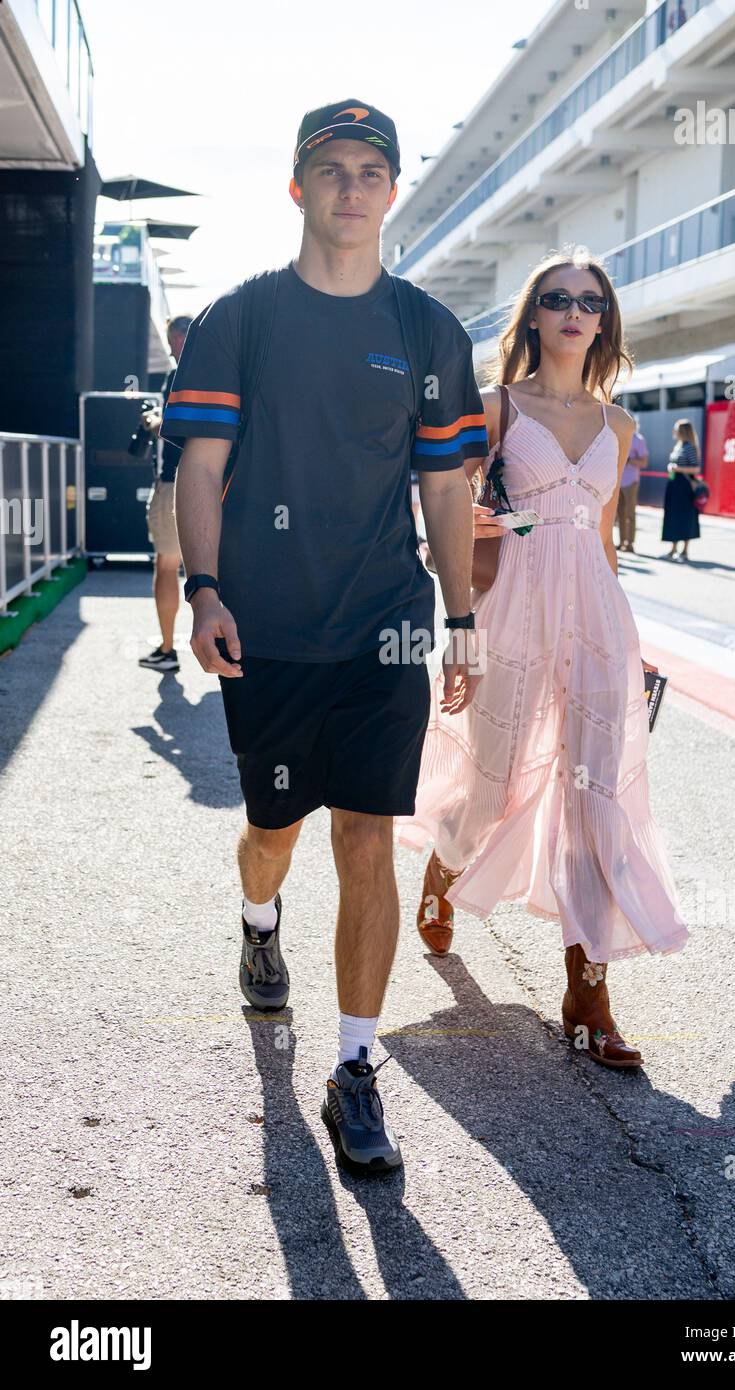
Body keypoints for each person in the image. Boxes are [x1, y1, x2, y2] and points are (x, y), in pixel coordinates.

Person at [159, 100, 487, 1175]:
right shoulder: (239, 319)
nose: (351, 188)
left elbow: (446, 484)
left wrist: (459, 616)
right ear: (297, 189)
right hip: (267, 623)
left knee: (364, 837)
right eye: (331, 170)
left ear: (391, 191)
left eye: (370, 171)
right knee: (275, 828)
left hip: (382, 625)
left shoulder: (428, 331)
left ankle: (355, 1070)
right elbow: (198, 468)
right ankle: (259, 918)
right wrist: (204, 591)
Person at [396, 249, 689, 1071]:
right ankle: (444, 867)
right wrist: (461, 615)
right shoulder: (495, 410)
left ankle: (588, 992)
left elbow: (601, 542)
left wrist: (627, 645)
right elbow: (444, 516)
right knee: (490, 783)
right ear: (533, 315)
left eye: (587, 301)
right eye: (556, 297)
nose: (572, 310)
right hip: (511, 614)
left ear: (604, 320)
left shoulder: (620, 426)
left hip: (595, 620)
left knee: (597, 799)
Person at [138, 314, 192, 672]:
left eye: (173, 341)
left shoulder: (180, 374)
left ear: (177, 338)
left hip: (175, 483)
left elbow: (173, 428)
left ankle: (168, 649)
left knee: (167, 565)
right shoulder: (221, 369)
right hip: (214, 482)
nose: (173, 350)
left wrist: (152, 421)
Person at [661, 418, 701, 561]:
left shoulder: (690, 447)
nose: (674, 432)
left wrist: (677, 468)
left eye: (676, 429)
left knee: (685, 517)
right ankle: (673, 549)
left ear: (682, 431)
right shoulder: (679, 446)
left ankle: (684, 551)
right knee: (673, 516)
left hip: (684, 487)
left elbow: (696, 468)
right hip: (674, 485)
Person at [616, 416, 647, 552]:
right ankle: (621, 541)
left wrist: (629, 460)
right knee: (619, 514)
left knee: (630, 514)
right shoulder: (618, 437)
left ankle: (630, 543)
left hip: (631, 482)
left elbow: (644, 462)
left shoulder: (638, 440)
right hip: (618, 481)